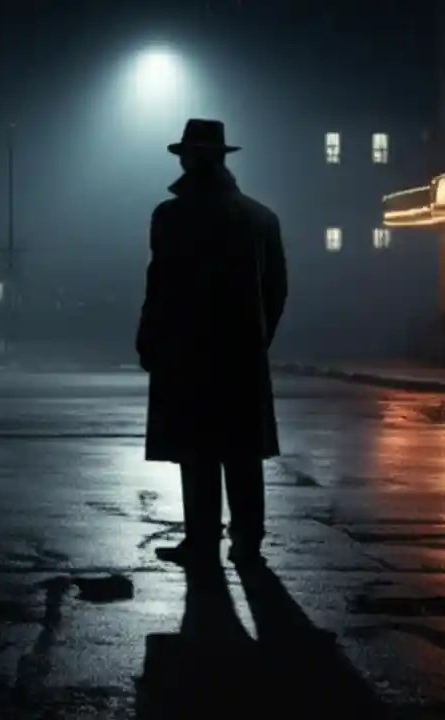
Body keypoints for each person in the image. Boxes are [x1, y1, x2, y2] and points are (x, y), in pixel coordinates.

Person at [137, 118, 288, 568]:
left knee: (196, 452)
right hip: (241, 352)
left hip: (186, 352)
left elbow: (158, 286)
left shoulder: (171, 215)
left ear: (189, 159)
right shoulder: (261, 218)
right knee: (242, 451)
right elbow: (276, 290)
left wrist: (150, 341)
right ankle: (247, 540)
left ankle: (202, 540)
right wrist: (259, 337)